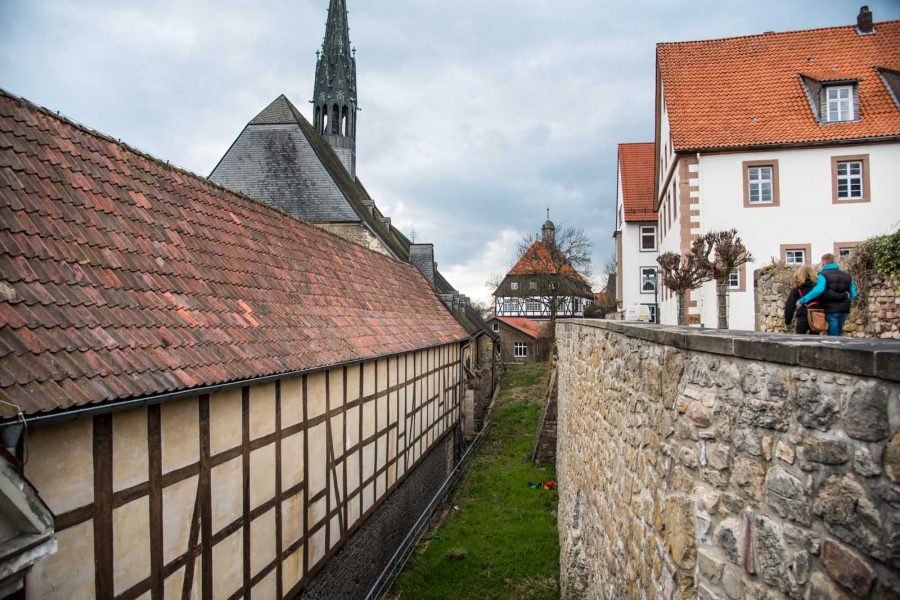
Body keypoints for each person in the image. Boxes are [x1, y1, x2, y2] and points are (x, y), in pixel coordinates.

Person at [797, 253, 858, 336]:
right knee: (838, 333)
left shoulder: (823, 275)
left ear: (823, 262)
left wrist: (802, 300)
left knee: (833, 336)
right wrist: (846, 300)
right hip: (844, 309)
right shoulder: (847, 275)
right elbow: (854, 293)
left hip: (830, 309)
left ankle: (835, 348)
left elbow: (818, 290)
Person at [784, 265, 819, 334]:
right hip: (816, 317)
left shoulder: (797, 289)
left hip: (802, 317)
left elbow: (790, 306)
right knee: (816, 341)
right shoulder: (818, 289)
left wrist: (787, 321)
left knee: (799, 340)